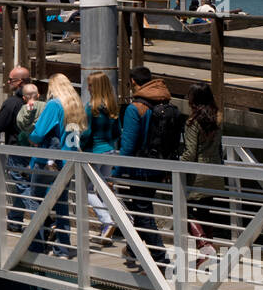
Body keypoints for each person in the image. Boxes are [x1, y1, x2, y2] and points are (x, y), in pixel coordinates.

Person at [115, 65, 175, 272]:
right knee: (142, 208)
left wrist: (116, 172)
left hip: (140, 167)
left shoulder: (135, 108)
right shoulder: (164, 102)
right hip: (160, 166)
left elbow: (128, 145)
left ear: (133, 82)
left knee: (142, 212)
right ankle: (133, 249)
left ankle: (161, 260)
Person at [28, 74, 86, 258]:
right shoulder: (75, 105)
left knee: (34, 200)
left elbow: (38, 134)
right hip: (68, 160)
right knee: (62, 205)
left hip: (49, 161)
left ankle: (37, 245)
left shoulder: (54, 104)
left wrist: (30, 135)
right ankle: (63, 248)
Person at [181, 83, 223, 261]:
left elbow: (190, 153)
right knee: (205, 211)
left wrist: (175, 164)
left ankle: (204, 245)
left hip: (197, 174)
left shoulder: (192, 123)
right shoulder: (218, 119)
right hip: (214, 171)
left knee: (185, 209)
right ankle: (209, 250)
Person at [0, 65, 35, 229]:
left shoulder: (12, 102)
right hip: (34, 149)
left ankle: (42, 220)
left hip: (16, 148)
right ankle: (14, 220)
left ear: (20, 82)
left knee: (22, 185)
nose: (8, 81)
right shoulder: (38, 100)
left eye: (11, 79)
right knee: (24, 184)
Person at [81, 70, 120, 238]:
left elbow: (87, 134)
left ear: (96, 87)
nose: (88, 88)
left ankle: (107, 221)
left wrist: (80, 145)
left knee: (87, 190)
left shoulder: (91, 108)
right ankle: (115, 222)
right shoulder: (113, 106)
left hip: (94, 152)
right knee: (105, 189)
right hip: (110, 151)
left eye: (90, 85)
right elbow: (118, 132)